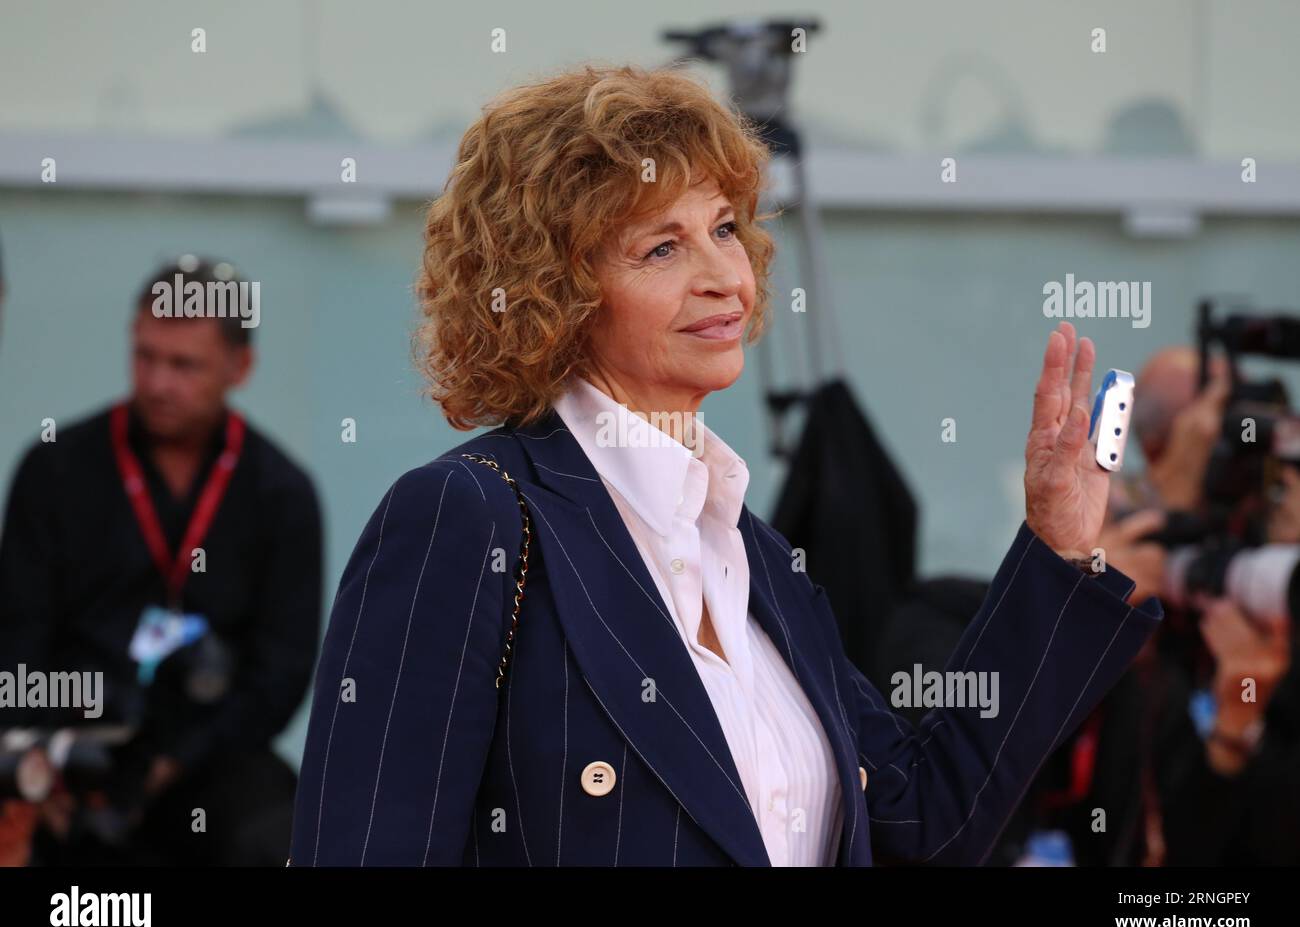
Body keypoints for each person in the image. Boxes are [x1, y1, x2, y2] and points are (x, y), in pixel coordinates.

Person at [289, 64, 1163, 867]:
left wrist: (1056, 549)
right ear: (556, 291)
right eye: (661, 248)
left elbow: (917, 827)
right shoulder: (467, 514)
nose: (723, 277)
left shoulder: (761, 557)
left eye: (723, 229)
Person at [0, 257, 323, 865]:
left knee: (278, 831)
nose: (156, 383)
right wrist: (38, 764)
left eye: (183, 365)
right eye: (145, 356)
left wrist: (170, 764)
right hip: (68, 755)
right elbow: (18, 638)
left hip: (207, 762)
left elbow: (280, 674)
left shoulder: (281, 493)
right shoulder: (54, 469)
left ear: (240, 367)